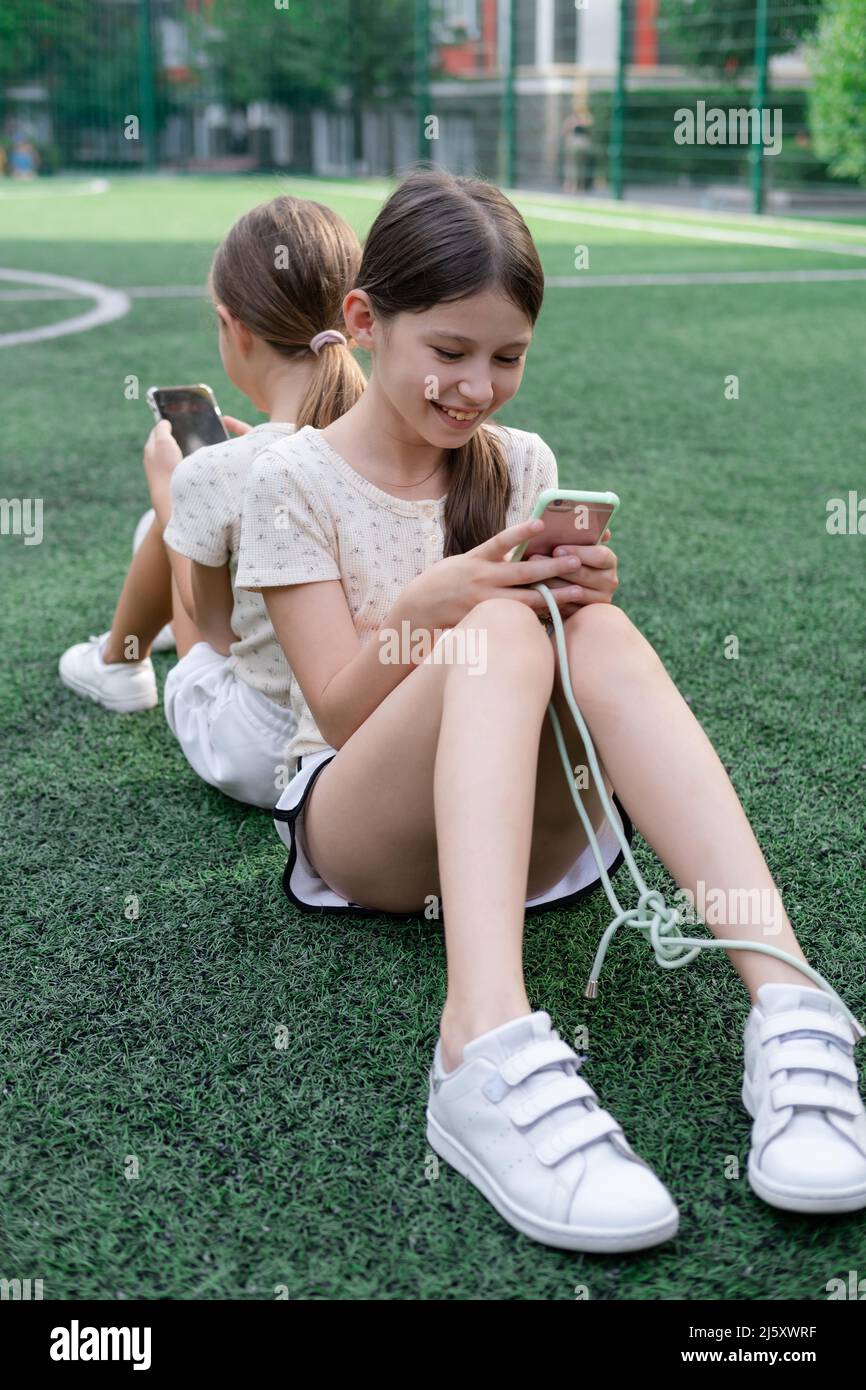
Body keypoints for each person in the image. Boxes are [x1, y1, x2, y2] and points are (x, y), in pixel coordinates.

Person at [235, 168, 866, 1252]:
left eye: (506, 357)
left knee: (600, 632)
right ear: (362, 322)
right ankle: (478, 1041)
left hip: (525, 835)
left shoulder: (519, 464)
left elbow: (549, 659)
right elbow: (335, 717)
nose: (476, 386)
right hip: (362, 834)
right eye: (449, 351)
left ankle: (789, 1005)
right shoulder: (290, 480)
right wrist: (437, 602)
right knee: (489, 626)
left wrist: (572, 603)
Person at [58, 196, 366, 809]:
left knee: (165, 520)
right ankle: (123, 650)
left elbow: (218, 638)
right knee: (191, 517)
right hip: (368, 732)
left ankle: (120, 663)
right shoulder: (393, 436)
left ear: (235, 329)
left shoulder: (219, 471)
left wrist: (175, 491)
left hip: (258, 748)